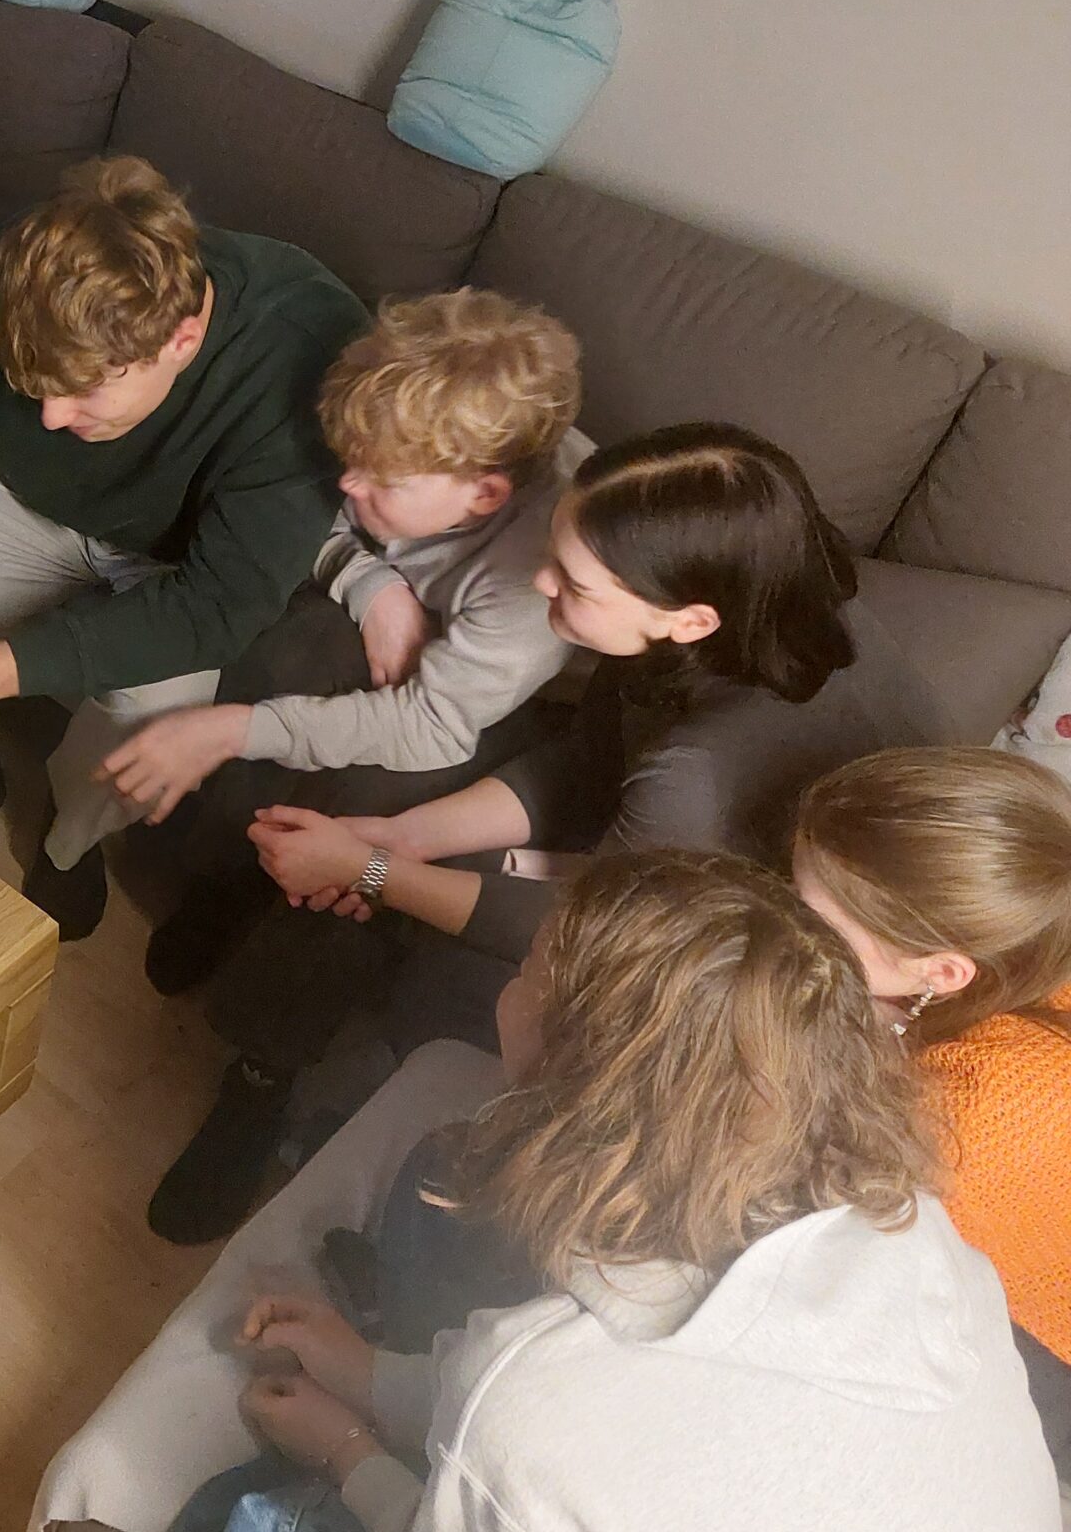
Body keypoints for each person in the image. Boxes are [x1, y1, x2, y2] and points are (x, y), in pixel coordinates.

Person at [178, 851, 1066, 1532]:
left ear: (570, 1095)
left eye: (525, 972)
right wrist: (368, 1373)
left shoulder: (537, 1412)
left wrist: (346, 1453)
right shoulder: (917, 1231)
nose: (507, 990)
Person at [150, 423, 940, 1245]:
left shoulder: (702, 770)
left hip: (701, 937)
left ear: (690, 621)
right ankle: (255, 897)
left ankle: (268, 1079)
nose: (540, 582)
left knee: (403, 921)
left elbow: (580, 935)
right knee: (386, 793)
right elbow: (589, 759)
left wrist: (373, 869)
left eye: (575, 584)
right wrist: (400, 835)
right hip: (645, 843)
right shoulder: (756, 592)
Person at [0, 155, 370, 936]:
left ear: (183, 338)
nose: (52, 419)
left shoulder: (308, 351)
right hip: (33, 503)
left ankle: (66, 846)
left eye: (87, 388)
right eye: (33, 385)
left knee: (157, 711)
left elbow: (221, 608)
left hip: (182, 561)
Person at [102, 289, 586, 973]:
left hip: (508, 699)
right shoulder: (392, 445)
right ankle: (217, 875)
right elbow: (300, 505)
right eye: (349, 460)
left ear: (483, 495)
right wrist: (374, 586)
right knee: (289, 652)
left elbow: (434, 725)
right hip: (398, 607)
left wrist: (234, 729)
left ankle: (262, 954)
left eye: (380, 481)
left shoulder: (534, 577)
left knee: (371, 788)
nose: (351, 484)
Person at [794, 747, 1071, 1473]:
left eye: (814, 924)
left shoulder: (963, 1119)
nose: (786, 931)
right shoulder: (1039, 932)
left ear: (942, 974)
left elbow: (881, 1286)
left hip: (1043, 1356)